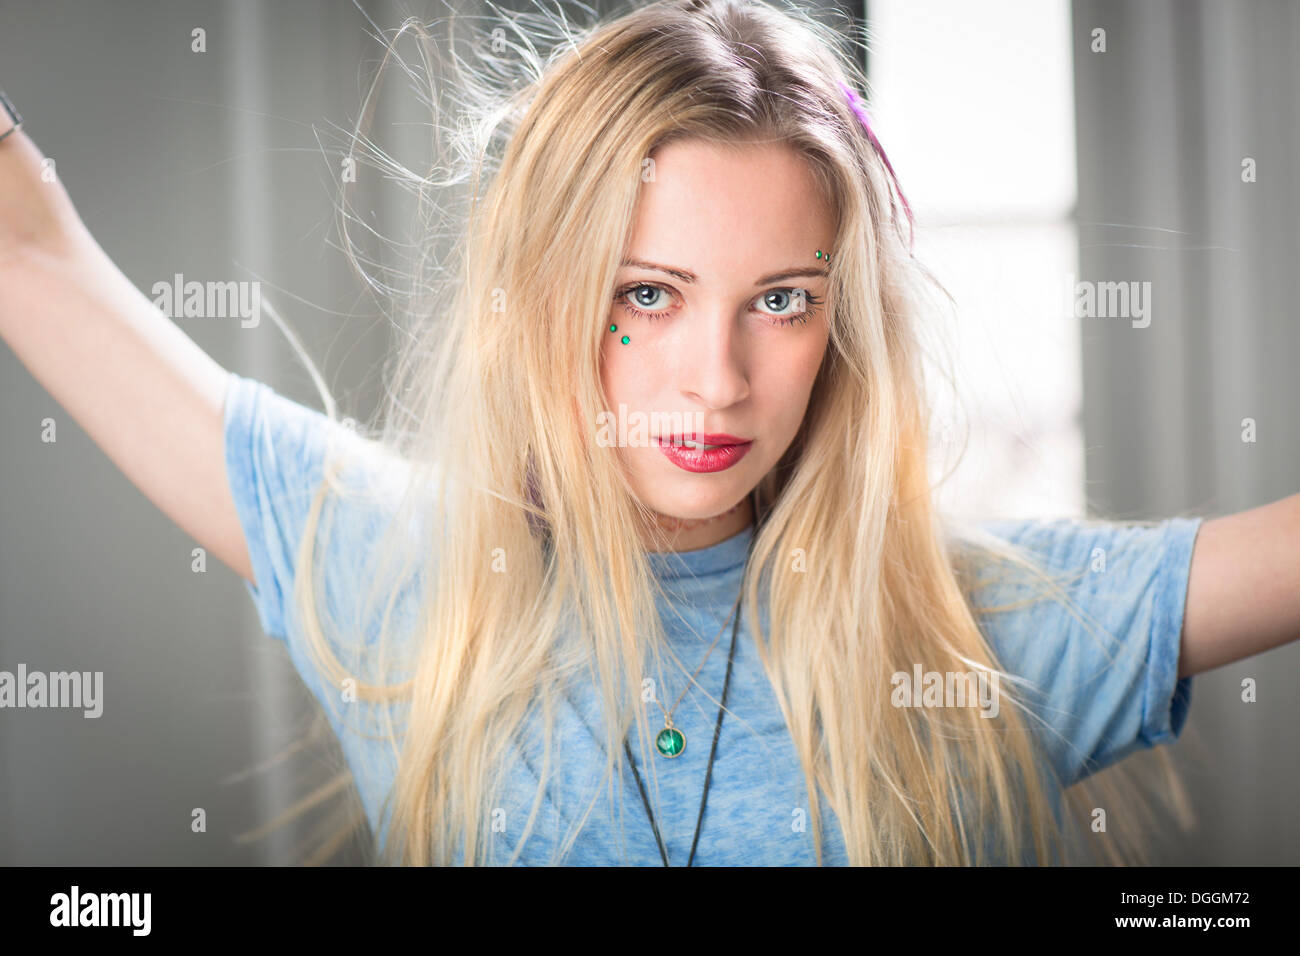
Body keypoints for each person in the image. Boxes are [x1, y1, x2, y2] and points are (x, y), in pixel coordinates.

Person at [1, 0, 1296, 867]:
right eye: (648, 294)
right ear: (545, 293)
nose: (717, 382)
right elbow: (30, 251)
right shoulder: (390, 567)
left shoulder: (981, 630)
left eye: (780, 301)